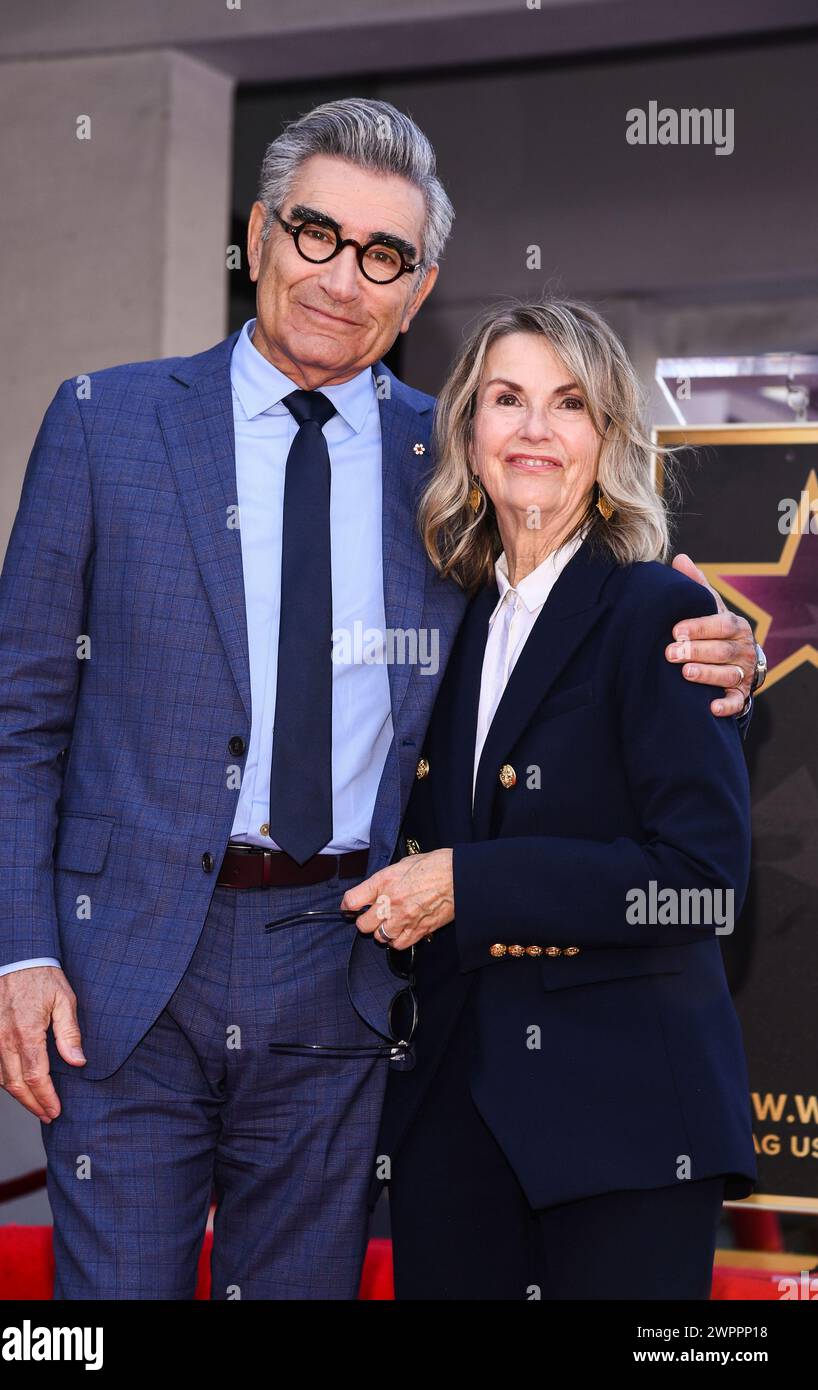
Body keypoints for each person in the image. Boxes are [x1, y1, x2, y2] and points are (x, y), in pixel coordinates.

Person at [0, 102, 757, 1301]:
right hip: (118, 973)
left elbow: (577, 641)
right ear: (260, 233)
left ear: (420, 281)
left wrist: (722, 661)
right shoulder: (103, 424)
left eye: (381, 254)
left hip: (345, 962)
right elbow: (14, 720)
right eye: (315, 234)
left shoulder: (441, 461)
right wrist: (13, 951)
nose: (340, 277)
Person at [345, 300, 759, 1301]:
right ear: (468, 435)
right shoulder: (452, 619)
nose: (534, 429)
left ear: (606, 438)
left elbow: (701, 882)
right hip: (453, 1124)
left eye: (567, 403)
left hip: (626, 1125)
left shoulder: (653, 606)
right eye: (506, 400)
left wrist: (467, 884)